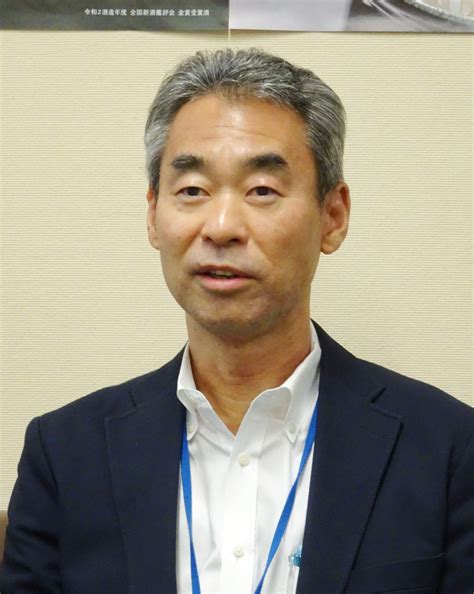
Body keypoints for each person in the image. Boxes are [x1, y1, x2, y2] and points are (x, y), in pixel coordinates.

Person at [0, 48, 472, 594]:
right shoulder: (64, 455)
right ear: (153, 214)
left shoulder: (450, 450)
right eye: (192, 191)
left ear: (333, 216)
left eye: (262, 191)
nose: (221, 226)